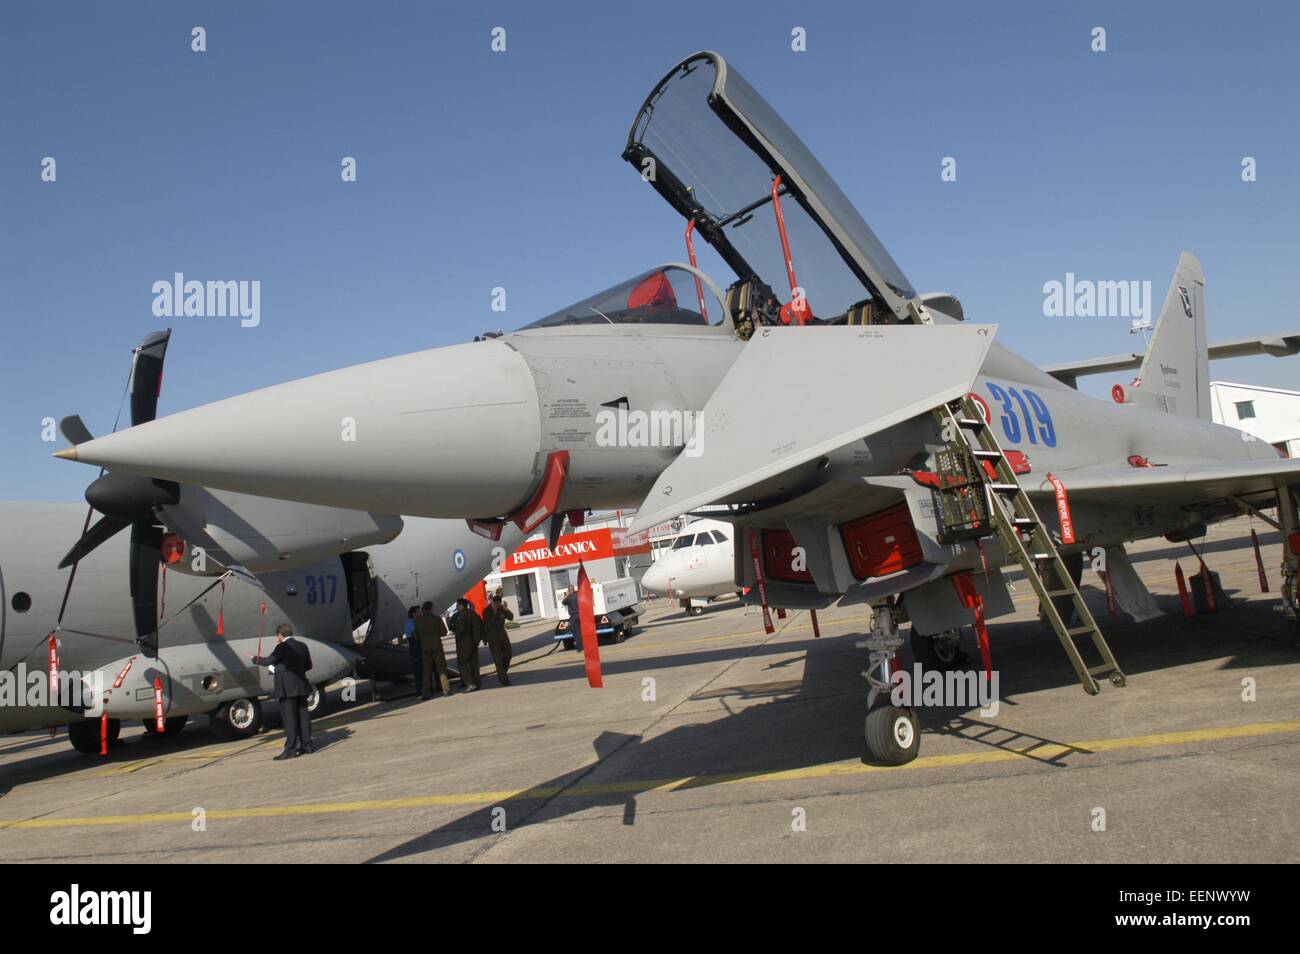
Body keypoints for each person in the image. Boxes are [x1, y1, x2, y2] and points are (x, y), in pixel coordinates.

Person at [248, 623, 315, 760]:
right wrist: (286, 668)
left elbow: (268, 661)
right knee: (303, 717)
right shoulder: (303, 645)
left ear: (280, 635)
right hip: (301, 686)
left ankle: (290, 749)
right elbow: (308, 665)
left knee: (289, 719)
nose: (277, 639)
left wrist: (254, 658)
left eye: (277, 636)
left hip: (286, 688)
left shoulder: (282, 647)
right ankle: (307, 745)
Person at [415, 600, 452, 698]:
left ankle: (426, 693)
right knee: (441, 669)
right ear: (431, 608)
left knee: (426, 671)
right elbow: (444, 632)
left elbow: (416, 636)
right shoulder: (436, 618)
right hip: (437, 646)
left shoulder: (418, 621)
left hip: (425, 648)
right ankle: (446, 690)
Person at [481, 593, 514, 686]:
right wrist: (495, 613)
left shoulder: (501, 609)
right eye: (496, 605)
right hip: (493, 638)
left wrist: (506, 609)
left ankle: (502, 671)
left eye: (499, 604)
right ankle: (504, 680)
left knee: (508, 654)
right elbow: (488, 625)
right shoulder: (486, 611)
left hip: (503, 636)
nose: (498, 606)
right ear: (493, 603)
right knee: (498, 659)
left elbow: (511, 618)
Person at [449, 598, 483, 691]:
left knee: (462, 663)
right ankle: (477, 682)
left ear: (461, 605)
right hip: (474, 641)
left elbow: (460, 628)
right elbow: (480, 625)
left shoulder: (461, 615)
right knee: (474, 663)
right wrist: (479, 639)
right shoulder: (473, 613)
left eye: (457, 605)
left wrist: (456, 631)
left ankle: (469, 683)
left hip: (464, 641)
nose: (457, 607)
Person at [404, 605, 423, 696]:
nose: (420, 613)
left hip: (417, 647)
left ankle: (423, 689)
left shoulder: (414, 622)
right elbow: (414, 635)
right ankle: (419, 691)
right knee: (418, 671)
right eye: (418, 612)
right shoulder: (410, 623)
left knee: (420, 670)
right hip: (415, 647)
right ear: (413, 614)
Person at [562, 587, 583, 652]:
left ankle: (580, 647)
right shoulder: (579, 594)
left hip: (574, 616)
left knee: (576, 632)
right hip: (581, 615)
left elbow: (563, 602)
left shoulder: (569, 598)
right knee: (582, 631)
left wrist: (566, 595)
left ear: (569, 591)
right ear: (574, 589)